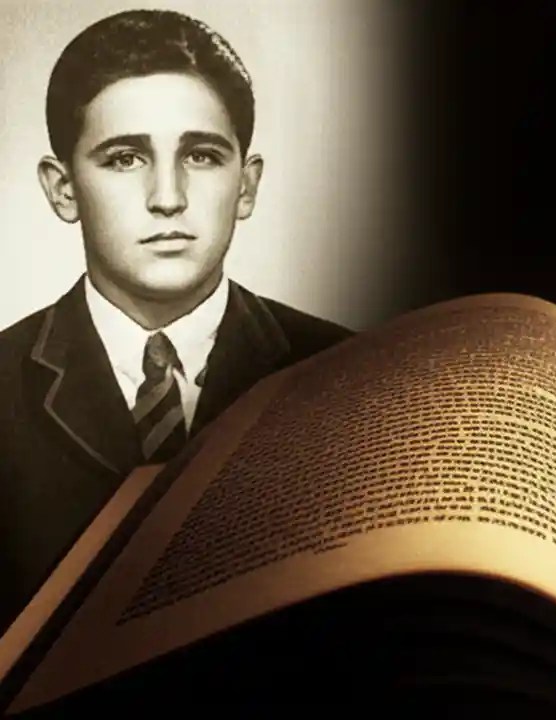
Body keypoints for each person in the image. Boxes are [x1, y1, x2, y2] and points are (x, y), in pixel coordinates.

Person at [0, 9, 353, 632]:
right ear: (63, 190)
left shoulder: (346, 376)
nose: (168, 196)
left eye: (202, 155)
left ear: (245, 187)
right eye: (125, 158)